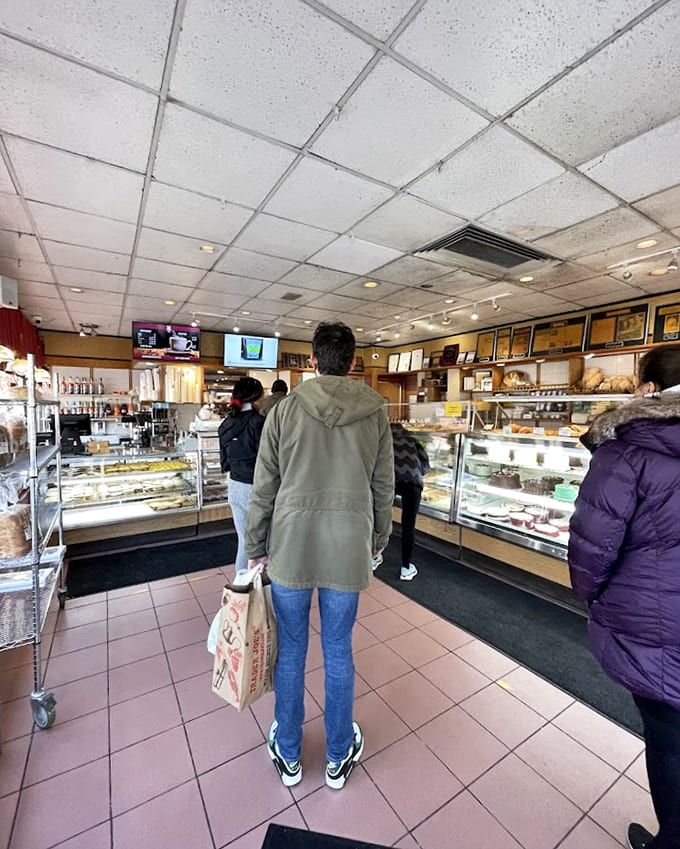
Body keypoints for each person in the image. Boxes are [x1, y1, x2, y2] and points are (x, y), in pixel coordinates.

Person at [245, 322, 394, 790]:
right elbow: (383, 487)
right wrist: (379, 539)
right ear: (352, 363)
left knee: (289, 650)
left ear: (312, 361)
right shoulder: (375, 414)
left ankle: (288, 754)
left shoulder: (284, 412)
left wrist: (254, 547)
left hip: (291, 545)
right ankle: (337, 755)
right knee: (338, 649)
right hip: (348, 548)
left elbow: (263, 487)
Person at [569, 344, 680, 849]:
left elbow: (592, 543)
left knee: (667, 737)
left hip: (654, 621)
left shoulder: (627, 446)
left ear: (649, 390)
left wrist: (590, 598)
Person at [218, 377, 265, 575]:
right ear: (256, 397)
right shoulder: (258, 422)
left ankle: (241, 588)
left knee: (244, 541)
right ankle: (257, 592)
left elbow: (224, 460)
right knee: (259, 545)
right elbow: (267, 459)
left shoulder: (227, 423)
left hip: (234, 486)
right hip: (254, 488)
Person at [377, 422, 429, 580]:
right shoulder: (413, 440)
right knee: (408, 524)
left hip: (389, 482)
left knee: (381, 519)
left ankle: (374, 556)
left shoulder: (383, 442)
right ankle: (406, 567)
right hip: (413, 483)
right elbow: (426, 467)